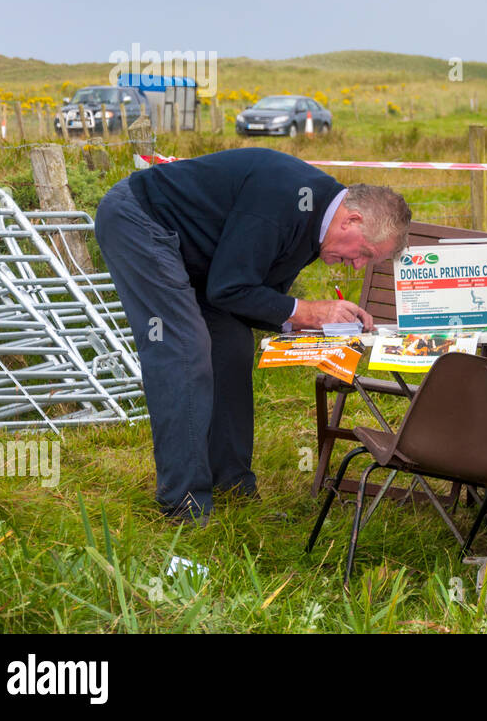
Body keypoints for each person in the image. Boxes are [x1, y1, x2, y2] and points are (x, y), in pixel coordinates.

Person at [95, 147, 411, 524]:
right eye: (364, 254)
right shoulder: (282, 200)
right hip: (142, 220)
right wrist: (306, 311)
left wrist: (312, 322)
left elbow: (249, 297)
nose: (358, 266)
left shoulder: (316, 224)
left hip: (205, 261)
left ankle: (234, 490)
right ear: (352, 220)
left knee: (232, 348)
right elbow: (231, 288)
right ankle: (184, 507)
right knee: (184, 350)